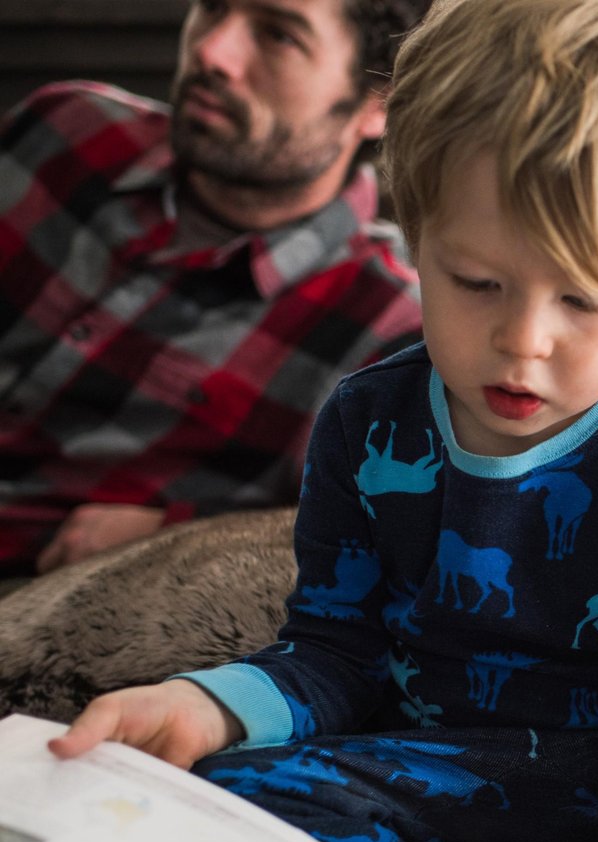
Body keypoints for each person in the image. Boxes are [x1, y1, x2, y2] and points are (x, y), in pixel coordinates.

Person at [48, 0, 598, 842]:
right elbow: (333, 657)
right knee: (228, 797)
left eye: (581, 300)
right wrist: (207, 703)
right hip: (417, 769)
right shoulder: (364, 418)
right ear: (414, 238)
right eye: (477, 283)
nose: (524, 339)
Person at [0, 0, 430, 581]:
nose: (211, 51)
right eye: (212, 8)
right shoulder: (65, 127)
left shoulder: (388, 332)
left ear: (378, 103)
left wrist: (177, 531)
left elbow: (367, 547)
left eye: (278, 36)